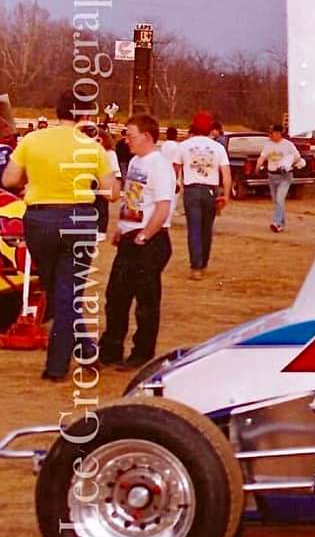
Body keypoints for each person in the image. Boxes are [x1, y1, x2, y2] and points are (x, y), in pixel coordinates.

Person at [2, 90, 113, 381]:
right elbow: (111, 191)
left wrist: (33, 180)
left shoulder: (32, 140)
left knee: (59, 293)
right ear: (85, 116)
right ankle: (57, 367)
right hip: (77, 219)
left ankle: (87, 351)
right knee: (68, 294)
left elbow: (8, 179)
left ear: (57, 112)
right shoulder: (92, 147)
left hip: (40, 219)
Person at [98, 114, 176, 370]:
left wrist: (145, 235)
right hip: (130, 236)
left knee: (146, 302)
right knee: (116, 296)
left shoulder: (160, 166)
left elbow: (163, 207)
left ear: (146, 136)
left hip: (150, 240)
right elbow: (132, 200)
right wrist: (122, 229)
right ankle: (110, 350)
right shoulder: (134, 162)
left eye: (130, 135)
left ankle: (142, 353)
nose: (126, 140)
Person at [177, 111, 232, 278]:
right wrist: (226, 195)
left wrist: (178, 186)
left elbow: (175, 170)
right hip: (210, 191)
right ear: (210, 128)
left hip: (192, 190)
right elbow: (226, 174)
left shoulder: (184, 146)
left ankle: (196, 267)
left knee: (193, 228)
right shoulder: (218, 148)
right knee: (206, 229)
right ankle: (204, 262)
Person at [256, 124, 305, 233]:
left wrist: (290, 165)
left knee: (279, 199)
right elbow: (262, 157)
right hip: (272, 176)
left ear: (278, 133)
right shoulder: (268, 145)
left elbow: (297, 157)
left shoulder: (288, 145)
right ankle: (281, 224)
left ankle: (276, 222)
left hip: (285, 176)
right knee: (277, 201)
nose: (271, 135)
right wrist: (257, 167)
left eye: (272, 132)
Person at [94, 127, 121, 240]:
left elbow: (115, 169)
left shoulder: (110, 153)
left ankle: (101, 230)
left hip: (105, 181)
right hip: (93, 181)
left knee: (102, 206)